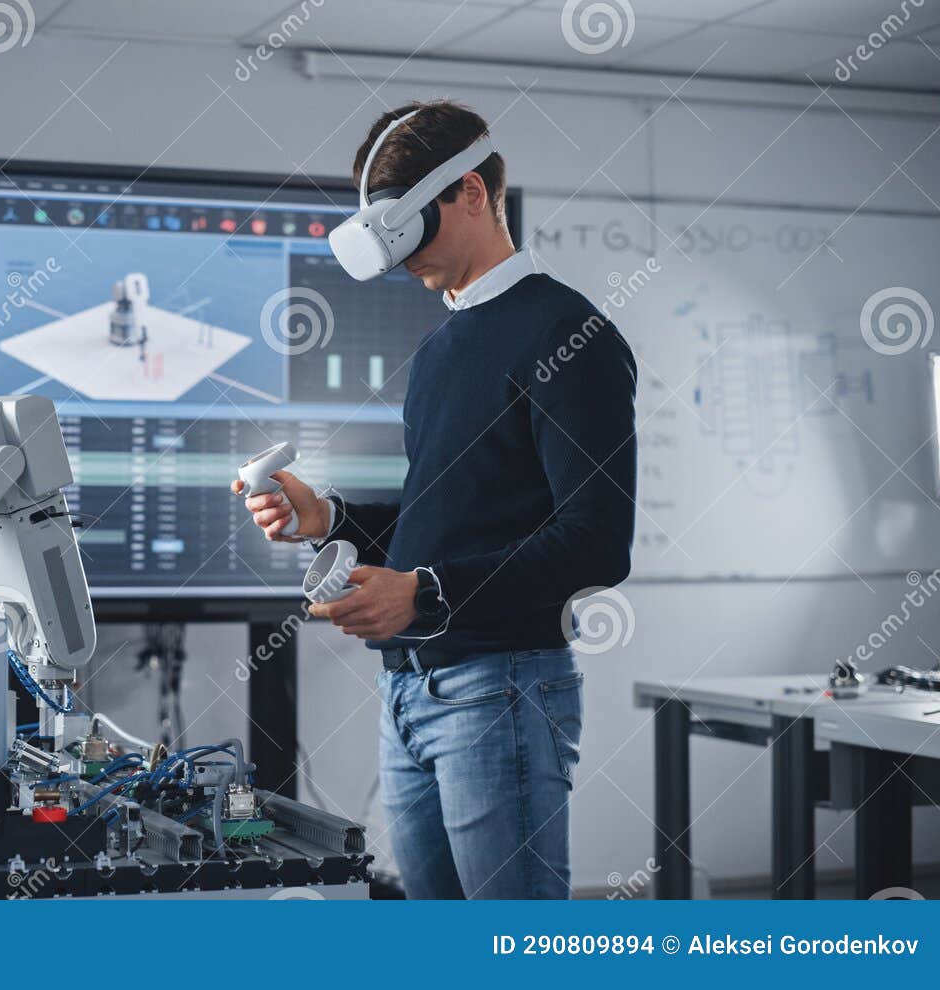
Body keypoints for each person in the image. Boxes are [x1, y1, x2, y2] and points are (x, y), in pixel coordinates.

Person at [233, 100, 637, 899]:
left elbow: (597, 539)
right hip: (410, 693)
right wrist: (330, 519)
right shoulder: (441, 349)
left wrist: (426, 593)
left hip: (502, 689)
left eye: (412, 226)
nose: (399, 259)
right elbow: (446, 519)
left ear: (474, 195)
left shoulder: (566, 333)